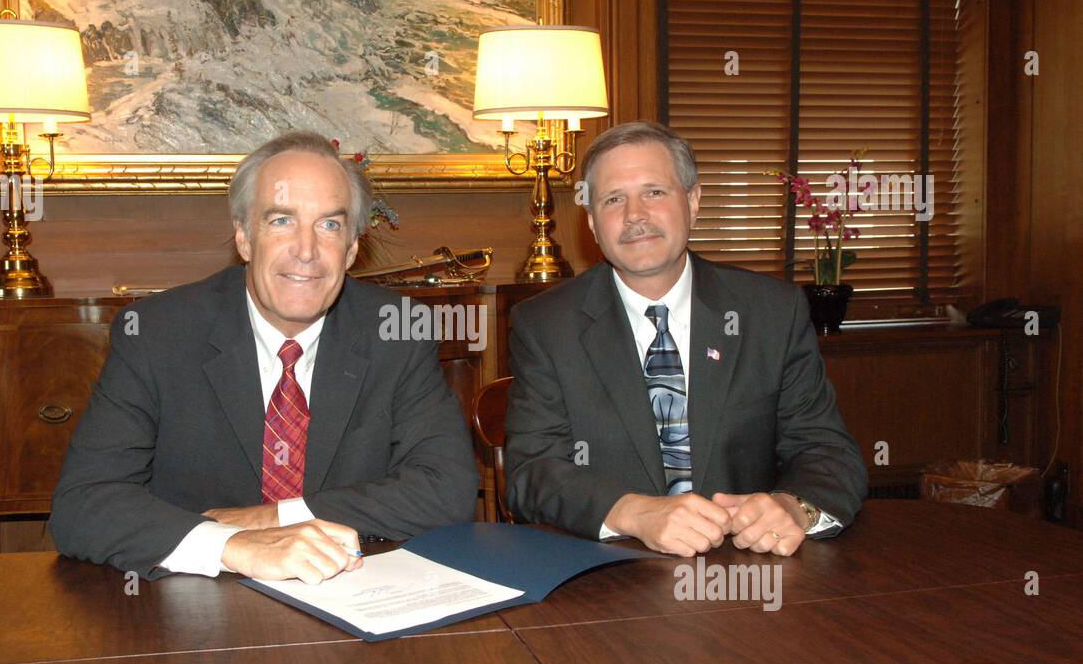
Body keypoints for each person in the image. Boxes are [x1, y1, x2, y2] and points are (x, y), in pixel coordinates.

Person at [50, 131, 479, 583]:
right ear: (244, 238)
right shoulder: (157, 334)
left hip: (351, 598)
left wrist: (274, 518)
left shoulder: (398, 332)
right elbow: (83, 503)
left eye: (329, 225)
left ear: (353, 249)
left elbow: (447, 489)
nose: (306, 250)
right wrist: (233, 545)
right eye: (281, 221)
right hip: (194, 608)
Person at [505, 120, 868, 557]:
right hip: (610, 578)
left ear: (693, 201)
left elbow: (827, 451)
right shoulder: (545, 325)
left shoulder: (771, 311)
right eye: (613, 199)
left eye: (654, 192)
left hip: (751, 573)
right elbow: (533, 473)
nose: (635, 215)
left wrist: (794, 507)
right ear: (592, 224)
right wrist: (633, 513)